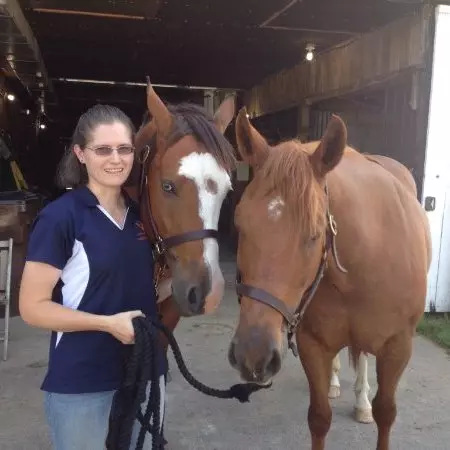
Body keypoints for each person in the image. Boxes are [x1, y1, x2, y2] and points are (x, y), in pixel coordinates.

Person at [19, 104, 167, 450]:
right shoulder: (61, 218)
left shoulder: (141, 218)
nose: (116, 159)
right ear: (80, 154)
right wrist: (107, 324)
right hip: (84, 379)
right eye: (103, 150)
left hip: (145, 372)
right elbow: (32, 307)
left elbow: (143, 286)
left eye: (124, 149)